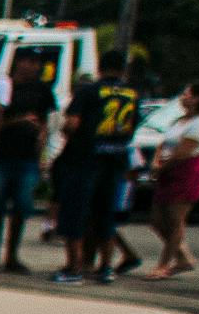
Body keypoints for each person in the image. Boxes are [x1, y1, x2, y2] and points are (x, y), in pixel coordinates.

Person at [55, 53, 144, 285]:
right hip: (115, 158)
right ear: (122, 70)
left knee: (75, 213)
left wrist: (68, 133)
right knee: (105, 214)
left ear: (100, 68)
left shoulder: (88, 91)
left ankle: (74, 267)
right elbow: (133, 126)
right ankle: (106, 267)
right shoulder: (131, 94)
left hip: (85, 159)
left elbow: (72, 123)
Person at [0, 49, 56, 271]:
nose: (33, 66)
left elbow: (48, 122)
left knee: (21, 207)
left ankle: (11, 255)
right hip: (2, 155)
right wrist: (18, 120)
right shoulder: (5, 87)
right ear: (19, 63)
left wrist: (42, 144)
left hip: (28, 157)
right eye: (29, 61)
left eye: (37, 62)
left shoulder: (43, 91)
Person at [141, 80, 199, 279]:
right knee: (156, 219)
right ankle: (183, 257)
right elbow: (163, 144)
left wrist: (160, 167)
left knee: (175, 220)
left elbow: (182, 153)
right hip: (168, 171)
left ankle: (164, 264)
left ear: (198, 99)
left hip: (187, 172)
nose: (183, 97)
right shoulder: (179, 121)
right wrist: (156, 162)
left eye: (188, 94)